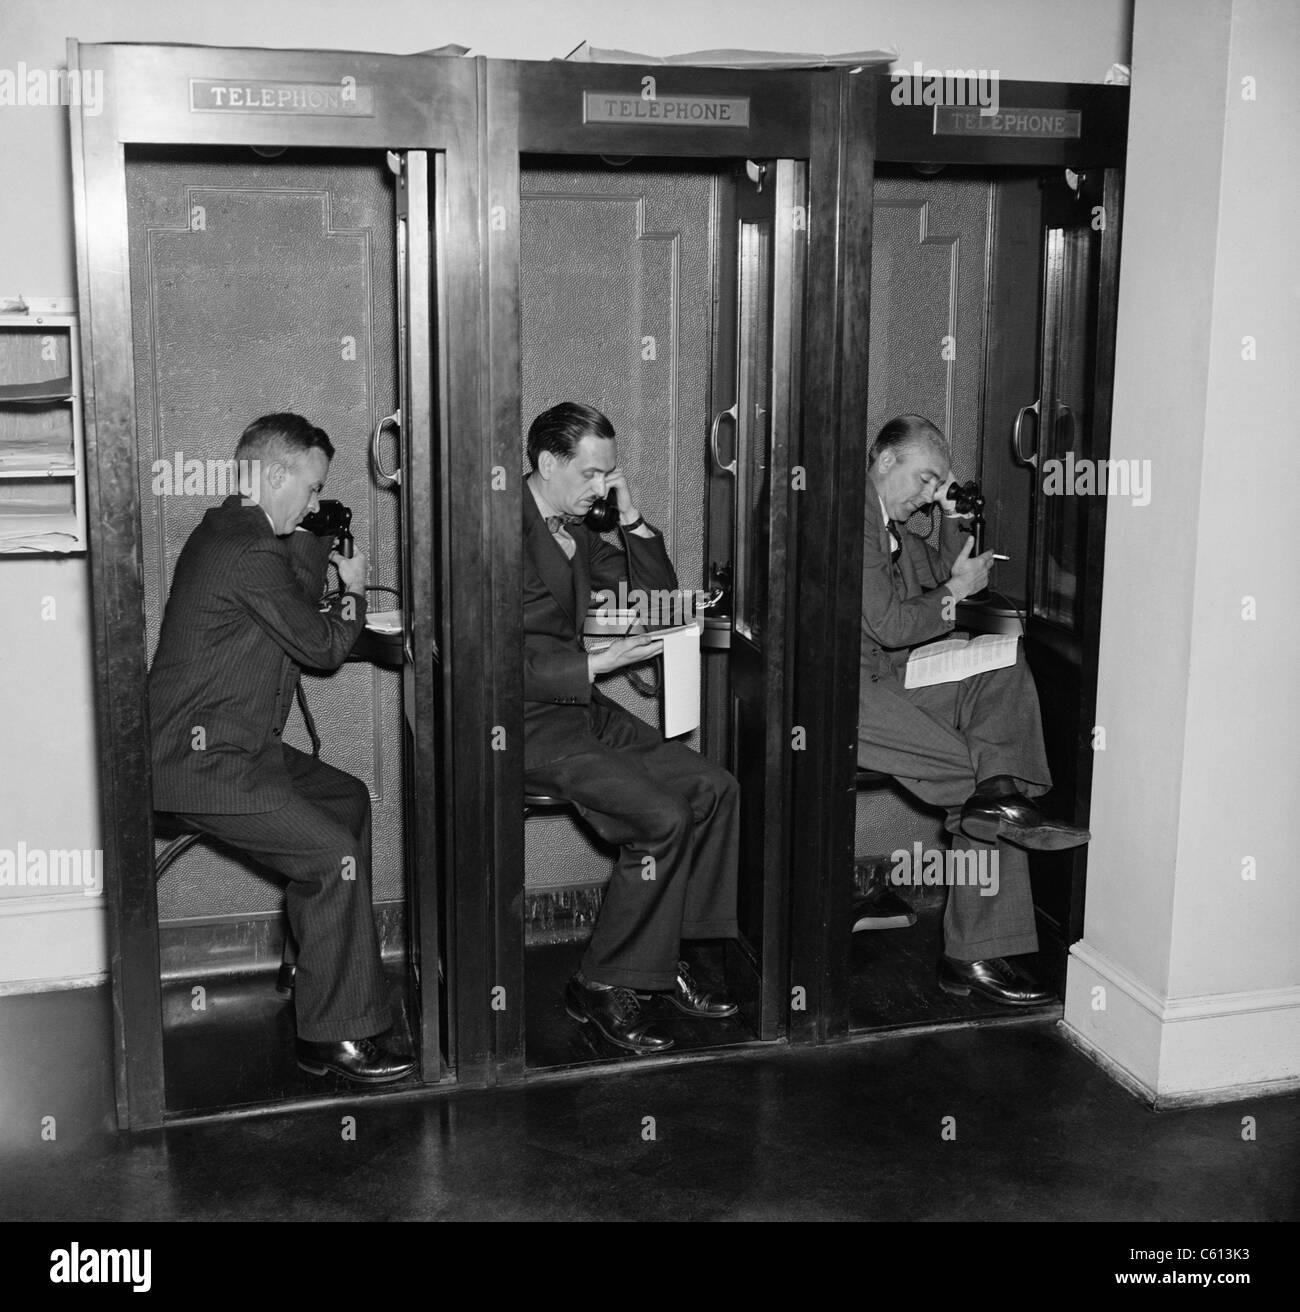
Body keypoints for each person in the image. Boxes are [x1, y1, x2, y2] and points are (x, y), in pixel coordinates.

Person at [148, 413, 415, 1083]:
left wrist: (311, 538)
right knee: (334, 856)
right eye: (314, 488)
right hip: (196, 762)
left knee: (346, 798)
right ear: (274, 475)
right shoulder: (246, 550)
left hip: (234, 746)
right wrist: (353, 592)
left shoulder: (235, 530)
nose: (318, 503)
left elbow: (289, 605)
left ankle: (319, 973)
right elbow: (321, 647)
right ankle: (332, 1037)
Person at [522, 402, 740, 1055]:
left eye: (608, 474)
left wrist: (633, 519)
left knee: (714, 788)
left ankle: (664, 955)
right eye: (592, 473)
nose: (600, 487)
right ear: (547, 464)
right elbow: (481, 655)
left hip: (581, 712)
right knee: (660, 816)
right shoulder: (491, 527)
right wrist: (594, 660)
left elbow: (655, 600)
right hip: (520, 722)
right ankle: (598, 983)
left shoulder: (580, 528)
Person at [856, 414, 1089, 1005]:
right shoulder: (851, 518)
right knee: (977, 786)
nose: (926, 495)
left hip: (884, 679)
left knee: (1000, 664)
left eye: (936, 484)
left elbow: (940, 572)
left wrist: (954, 511)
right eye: (924, 479)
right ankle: (974, 956)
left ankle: (1008, 789)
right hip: (839, 695)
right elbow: (890, 622)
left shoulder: (889, 523)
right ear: (887, 462)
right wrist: (954, 594)